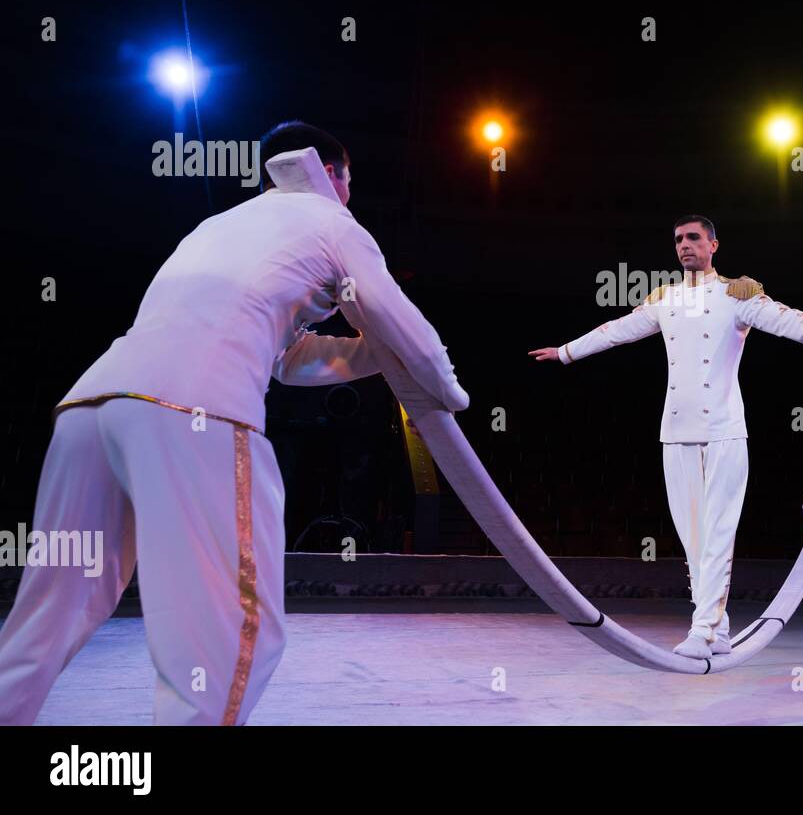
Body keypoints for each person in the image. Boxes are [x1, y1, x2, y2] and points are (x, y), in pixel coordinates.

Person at [0, 122, 469, 724]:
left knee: (50, 612)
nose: (351, 195)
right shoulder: (334, 224)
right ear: (331, 174)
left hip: (91, 410)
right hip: (195, 412)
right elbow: (410, 330)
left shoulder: (216, 227)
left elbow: (286, 361)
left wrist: (379, 354)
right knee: (231, 632)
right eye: (350, 182)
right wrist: (446, 388)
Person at [529, 215, 803, 659]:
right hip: (676, 430)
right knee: (693, 538)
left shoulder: (735, 294)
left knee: (719, 532)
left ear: (713, 245)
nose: (684, 245)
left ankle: (703, 630)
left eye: (693, 238)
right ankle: (716, 628)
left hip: (724, 430)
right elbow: (618, 331)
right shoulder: (665, 300)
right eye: (678, 239)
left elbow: (793, 322)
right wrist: (567, 351)